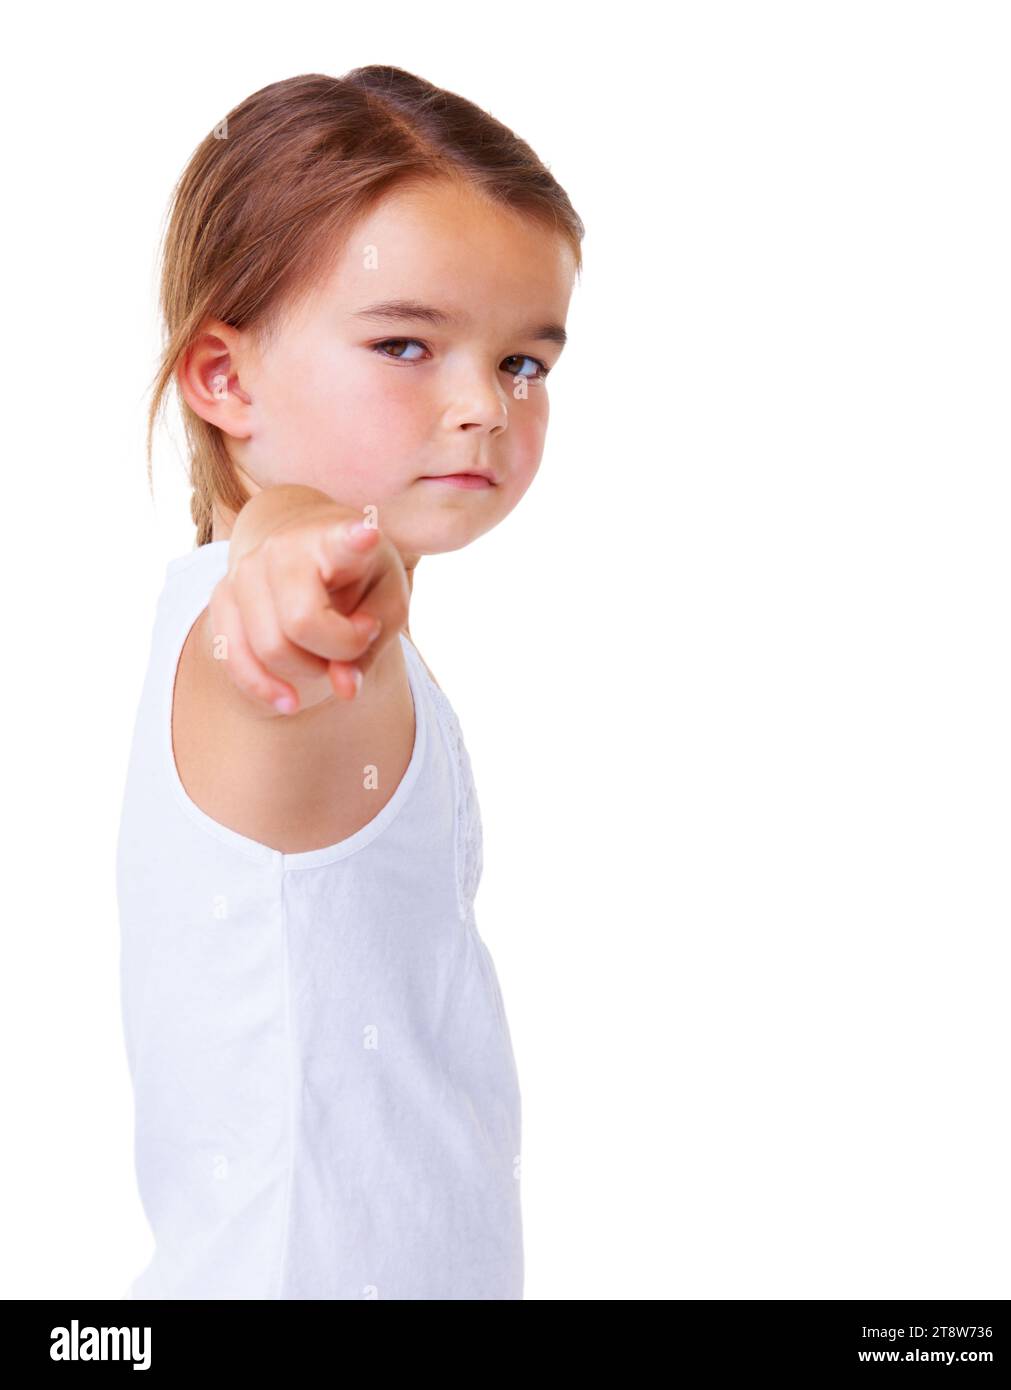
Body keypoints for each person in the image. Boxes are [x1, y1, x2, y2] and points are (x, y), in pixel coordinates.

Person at [116, 64, 584, 1300]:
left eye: (524, 361)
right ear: (223, 380)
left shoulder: (344, 636)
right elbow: (285, 539)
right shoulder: (280, 634)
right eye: (405, 344)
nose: (483, 405)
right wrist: (287, 564)